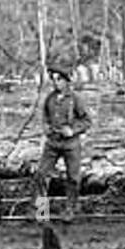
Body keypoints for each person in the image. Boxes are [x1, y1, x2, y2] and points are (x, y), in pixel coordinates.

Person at [34, 64, 92, 220]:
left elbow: (87, 121)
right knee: (41, 175)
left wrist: (72, 130)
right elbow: (45, 116)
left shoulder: (76, 99)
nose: (55, 83)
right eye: (53, 79)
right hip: (52, 143)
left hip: (71, 145)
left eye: (59, 79)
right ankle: (42, 212)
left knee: (73, 178)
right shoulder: (50, 98)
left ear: (66, 81)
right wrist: (45, 127)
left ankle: (70, 210)